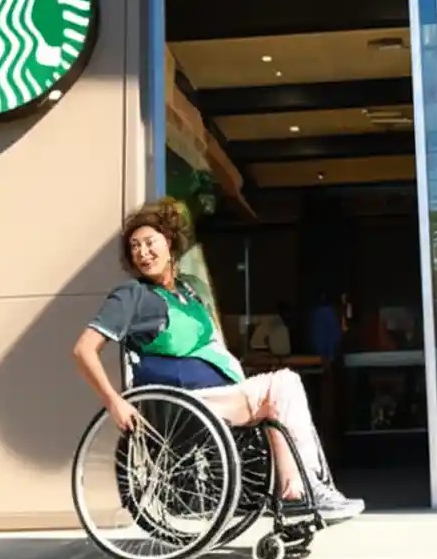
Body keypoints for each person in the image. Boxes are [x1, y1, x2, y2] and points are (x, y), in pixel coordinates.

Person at [71, 197, 364, 523]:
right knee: (285, 384)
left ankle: (294, 488)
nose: (142, 252)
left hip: (215, 397)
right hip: (185, 402)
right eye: (135, 246)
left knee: (280, 399)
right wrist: (113, 401)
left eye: (149, 243)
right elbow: (83, 350)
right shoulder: (132, 296)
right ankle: (299, 490)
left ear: (168, 244)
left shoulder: (187, 294)